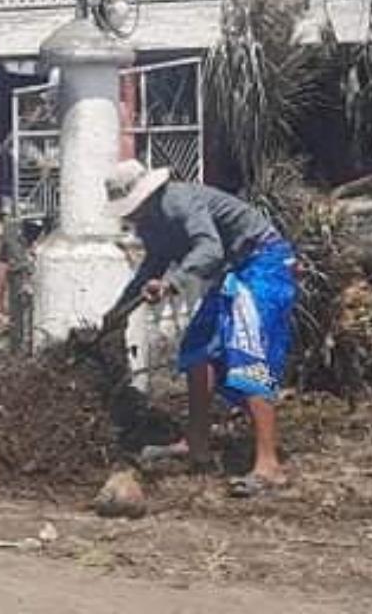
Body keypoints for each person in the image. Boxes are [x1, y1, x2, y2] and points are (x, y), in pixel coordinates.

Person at [104, 159, 298, 497]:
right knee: (197, 351)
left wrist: (170, 284)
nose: (132, 216)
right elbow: (152, 265)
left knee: (246, 352)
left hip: (263, 262)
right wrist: (117, 312)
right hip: (235, 270)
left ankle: (269, 466)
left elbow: (210, 248)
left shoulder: (179, 201)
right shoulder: (152, 223)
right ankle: (196, 445)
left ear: (147, 196)